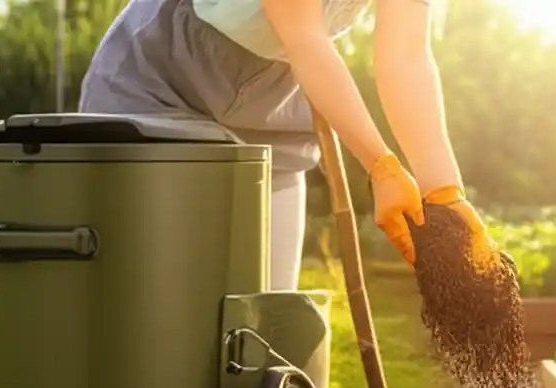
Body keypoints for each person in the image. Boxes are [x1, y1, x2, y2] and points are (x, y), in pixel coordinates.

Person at [80, 0, 491, 291]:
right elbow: (303, 37)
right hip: (159, 85)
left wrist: (444, 191)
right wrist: (380, 165)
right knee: (154, 301)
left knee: (268, 317)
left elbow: (405, 58)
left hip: (270, 112)